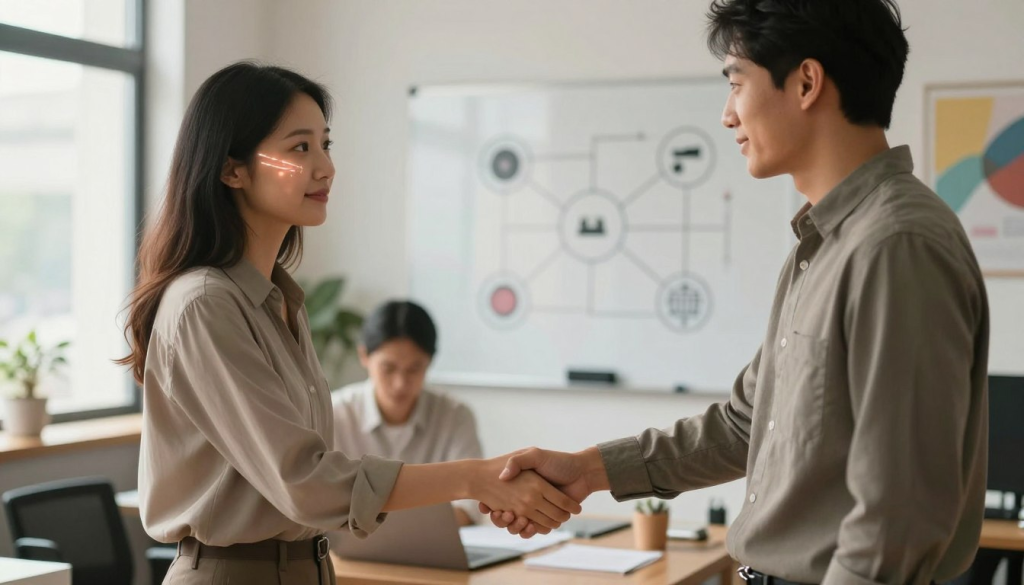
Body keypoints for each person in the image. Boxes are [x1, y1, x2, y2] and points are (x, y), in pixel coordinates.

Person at [484, 2, 990, 584]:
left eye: (736, 82)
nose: (727, 115)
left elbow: (898, 511)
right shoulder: (821, 244)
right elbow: (746, 425)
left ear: (805, 82)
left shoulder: (895, 245)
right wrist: (587, 470)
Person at [118, 62, 580, 585]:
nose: (326, 167)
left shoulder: (280, 303)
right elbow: (306, 480)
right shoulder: (204, 304)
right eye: (300, 148)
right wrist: (475, 478)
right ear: (232, 169)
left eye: (325, 144)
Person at [332, 300, 484, 526]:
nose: (400, 384)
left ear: (430, 362)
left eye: (414, 369)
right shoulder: (335, 413)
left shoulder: (455, 416)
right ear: (364, 356)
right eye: (388, 368)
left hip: (433, 553)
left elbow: (471, 504)